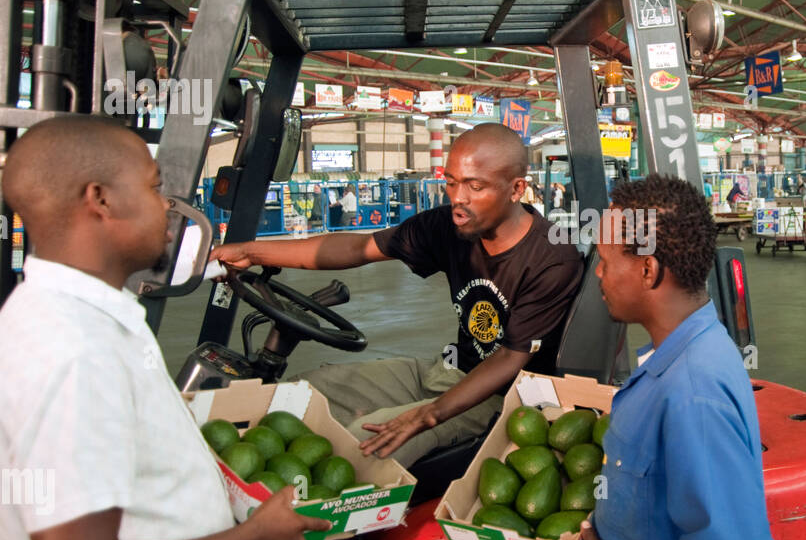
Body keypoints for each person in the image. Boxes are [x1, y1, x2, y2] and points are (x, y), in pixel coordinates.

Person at [0, 116, 326, 540]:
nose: (168, 206)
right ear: (101, 200)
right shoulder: (71, 349)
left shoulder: (82, 318)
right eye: (156, 187)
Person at [212, 123, 584, 469]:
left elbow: (509, 358)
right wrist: (252, 252)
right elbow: (358, 249)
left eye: (475, 186)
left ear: (517, 189)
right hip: (451, 372)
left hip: (507, 399)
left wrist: (428, 415)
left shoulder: (552, 257)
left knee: (365, 443)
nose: (458, 199)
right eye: (451, 182)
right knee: (299, 396)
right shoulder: (448, 225)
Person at [556, 175, 774, 540]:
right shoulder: (672, 360)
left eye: (607, 262)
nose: (598, 275)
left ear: (648, 270)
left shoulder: (693, 394)